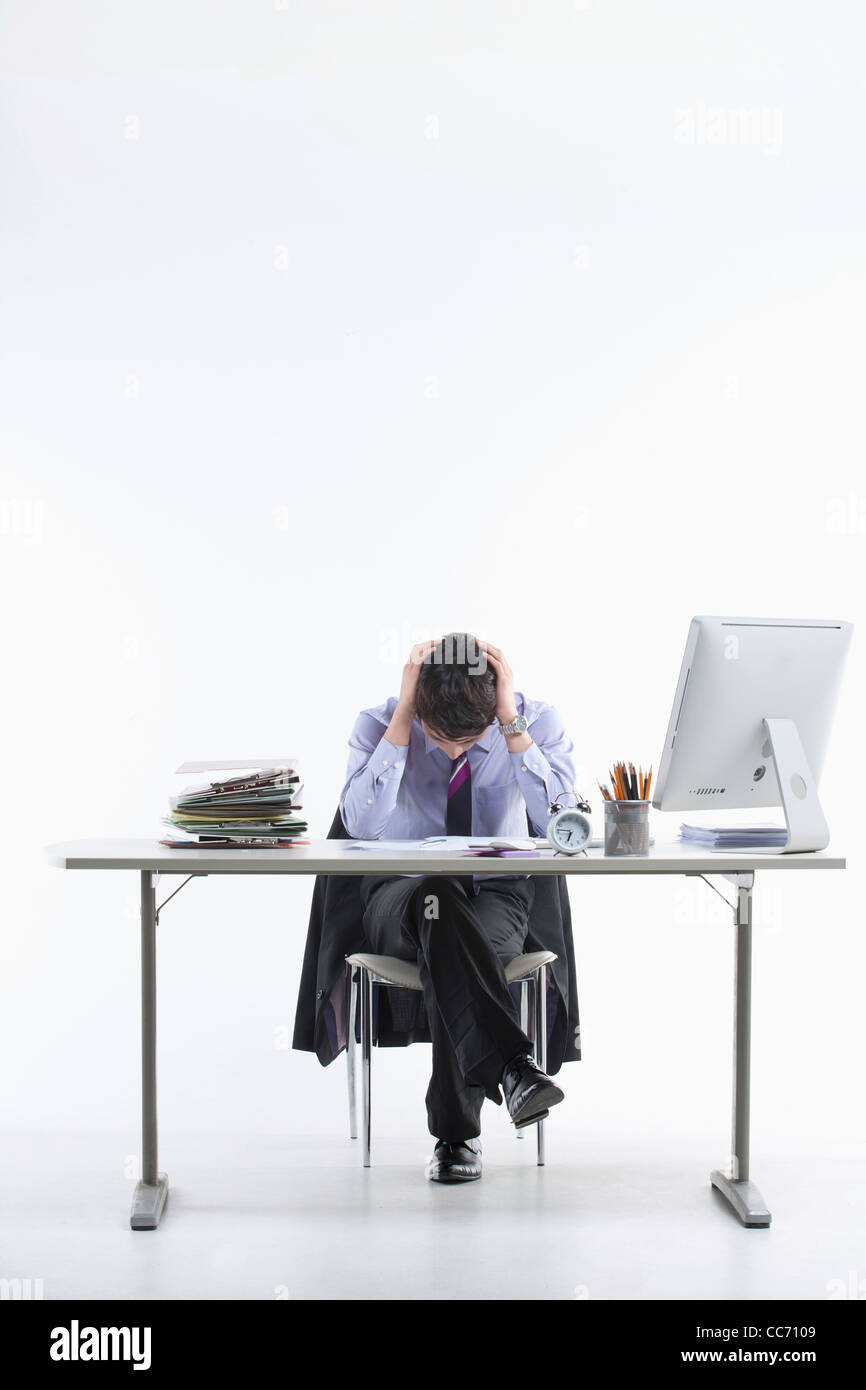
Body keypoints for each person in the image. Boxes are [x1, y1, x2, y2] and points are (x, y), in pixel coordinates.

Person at [339, 631, 578, 1183]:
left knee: (456, 951)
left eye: (468, 742)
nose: (453, 754)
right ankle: (514, 1069)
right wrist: (404, 721)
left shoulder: (533, 721)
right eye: (440, 738)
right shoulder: (379, 724)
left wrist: (512, 725)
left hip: (495, 896)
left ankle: (456, 1136)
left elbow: (559, 824)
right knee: (440, 899)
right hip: (402, 897)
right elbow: (361, 826)